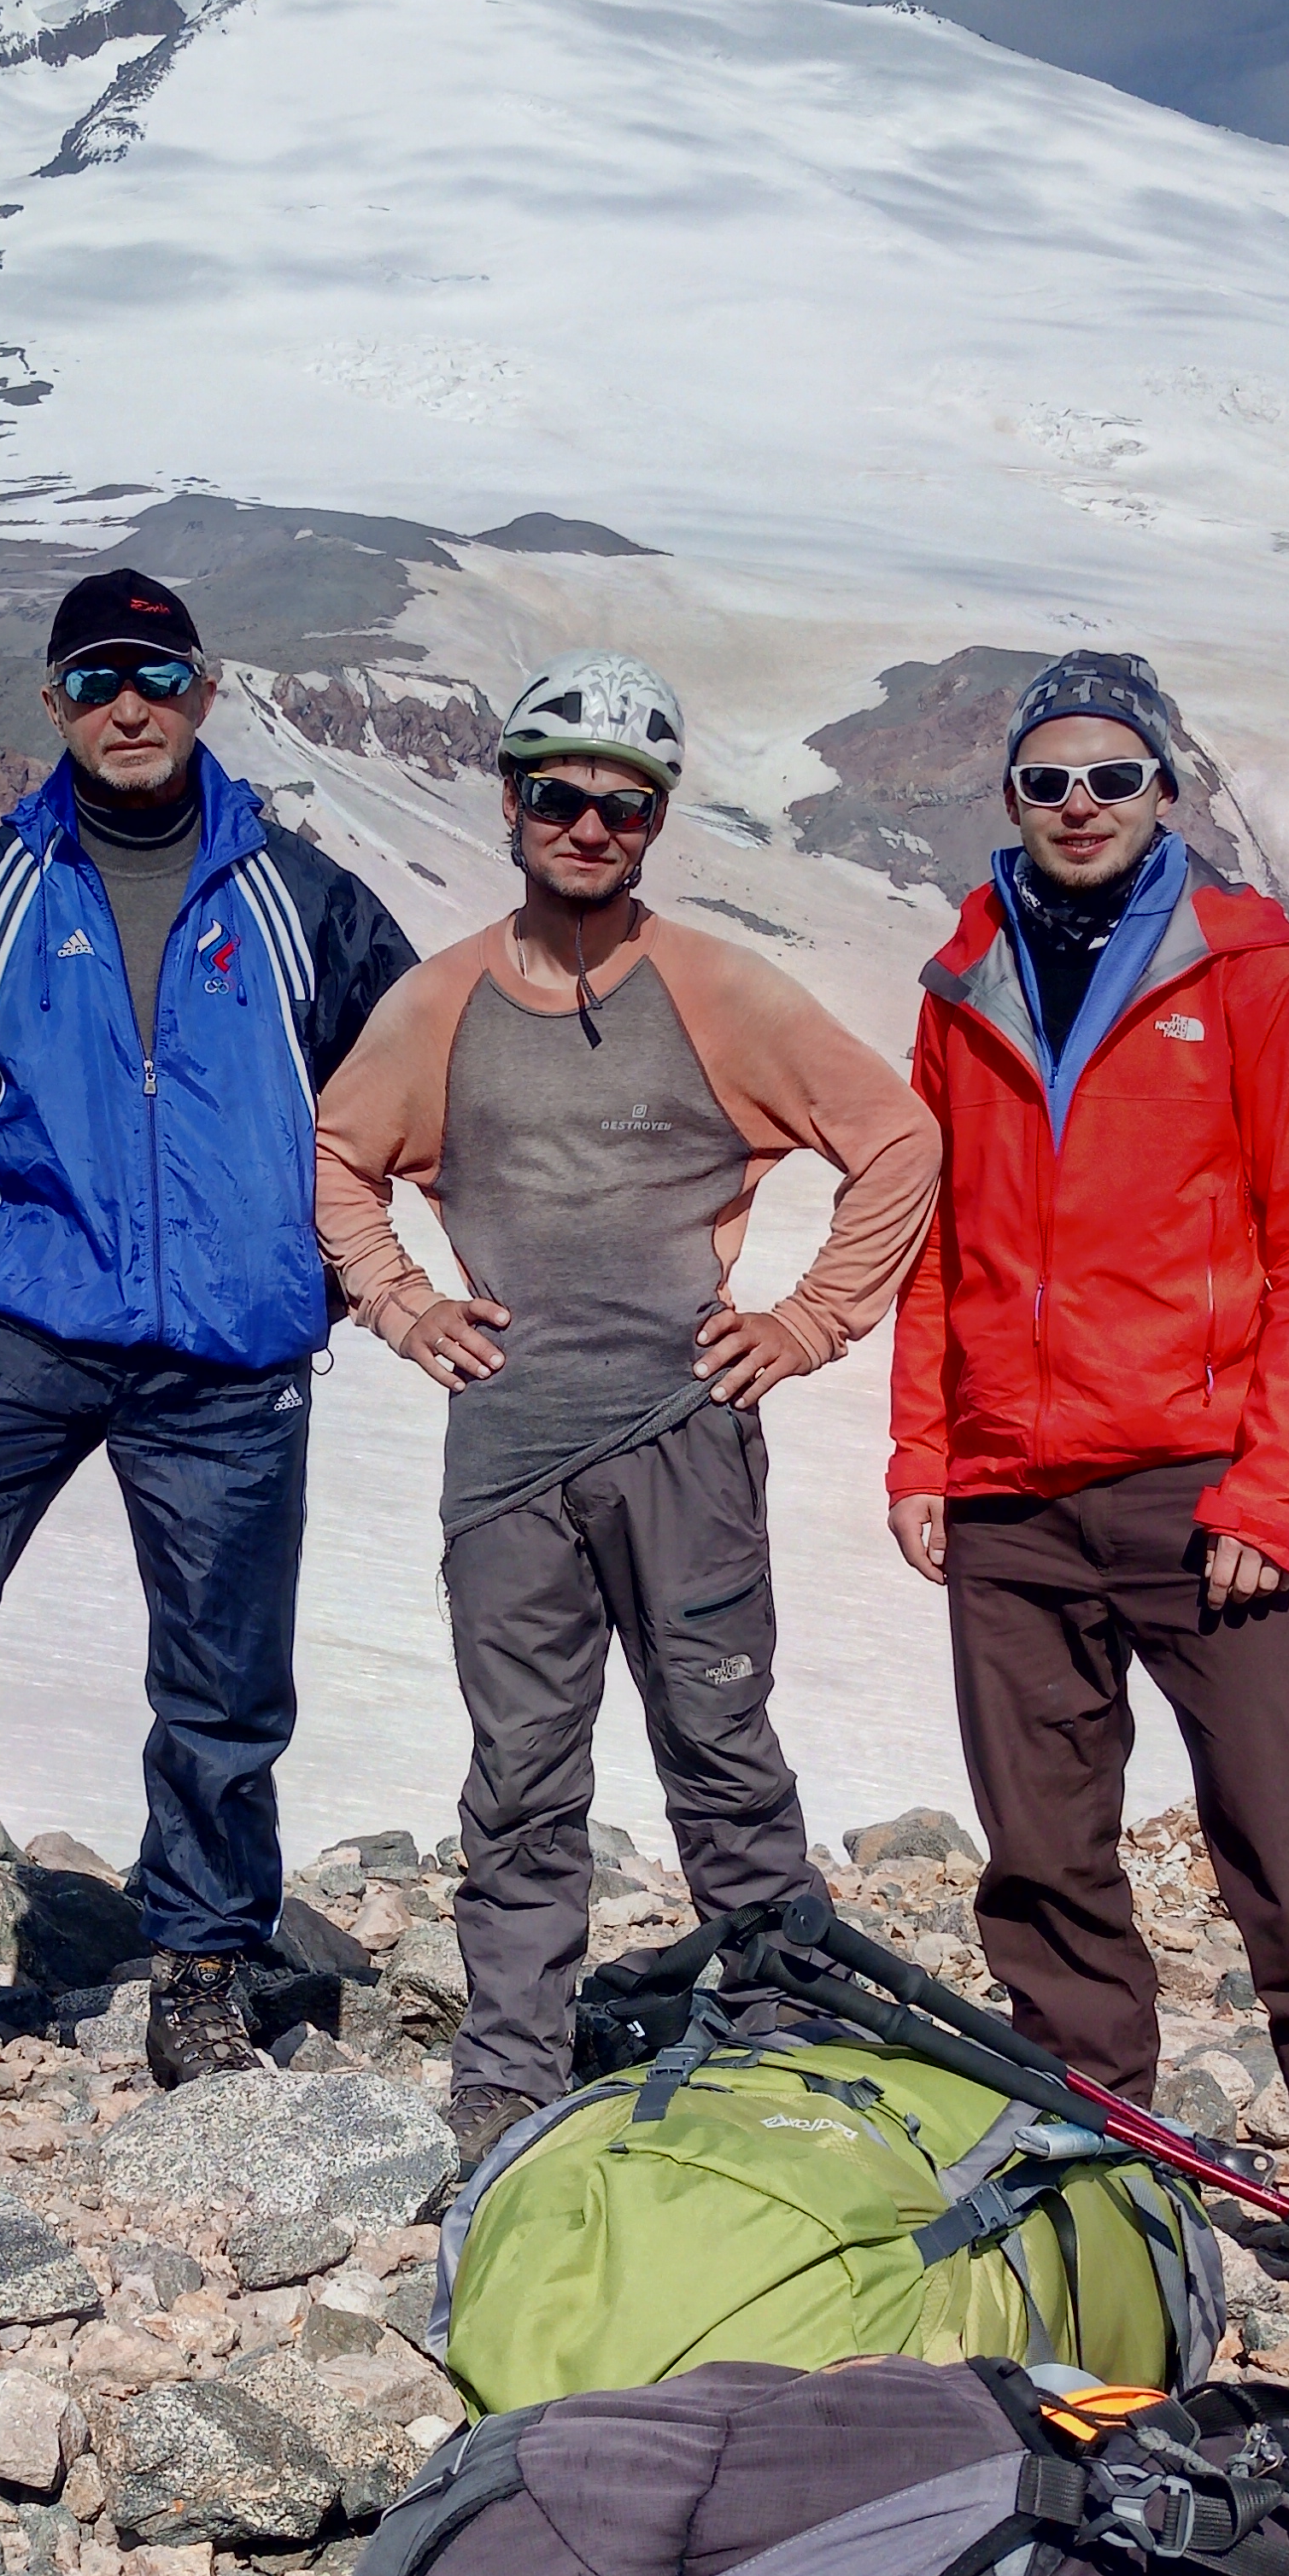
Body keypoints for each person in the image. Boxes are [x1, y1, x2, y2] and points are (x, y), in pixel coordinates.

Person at [0, 566, 418, 2093]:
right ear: (52, 703)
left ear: (207, 692)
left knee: (224, 1673)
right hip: (29, 1325)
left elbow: (414, 1088)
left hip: (233, 1350)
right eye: (96, 679)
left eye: (158, 675)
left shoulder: (305, 899)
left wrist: (357, 1263)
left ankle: (201, 1972)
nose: (130, 705)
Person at [885, 647, 1289, 2298]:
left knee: (1287, 1843)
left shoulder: (1258, 977)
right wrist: (925, 1449)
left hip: (1201, 1491)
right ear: (1010, 795)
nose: (1080, 806)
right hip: (1011, 1497)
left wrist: (1270, 1493)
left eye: (1112, 777)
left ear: (1166, 790)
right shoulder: (965, 979)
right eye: (1047, 780)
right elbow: (939, 1242)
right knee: (1043, 1858)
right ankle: (1097, 2177)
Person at [317, 652, 941, 2176]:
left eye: (625, 805)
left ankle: (782, 2038)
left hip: (684, 1437)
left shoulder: (716, 990)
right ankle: (510, 2073)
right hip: (510, 1458)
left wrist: (807, 1323)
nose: (590, 827)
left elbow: (897, 1138)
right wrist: (401, 1303)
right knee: (522, 1772)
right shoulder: (441, 1001)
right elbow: (335, 1153)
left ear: (656, 821)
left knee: (721, 1745)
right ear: (511, 802)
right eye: (559, 797)